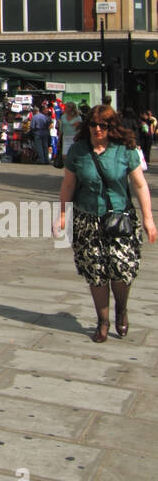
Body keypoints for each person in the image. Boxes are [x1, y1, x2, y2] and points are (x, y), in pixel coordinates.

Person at [54, 105, 156, 342]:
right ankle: (102, 321)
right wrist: (62, 214)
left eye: (104, 125)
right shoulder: (78, 151)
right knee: (95, 272)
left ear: (112, 127)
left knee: (122, 269)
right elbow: (68, 184)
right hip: (87, 219)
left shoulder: (125, 150)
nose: (98, 129)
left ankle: (121, 309)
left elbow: (140, 185)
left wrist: (149, 219)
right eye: (94, 124)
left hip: (120, 218)